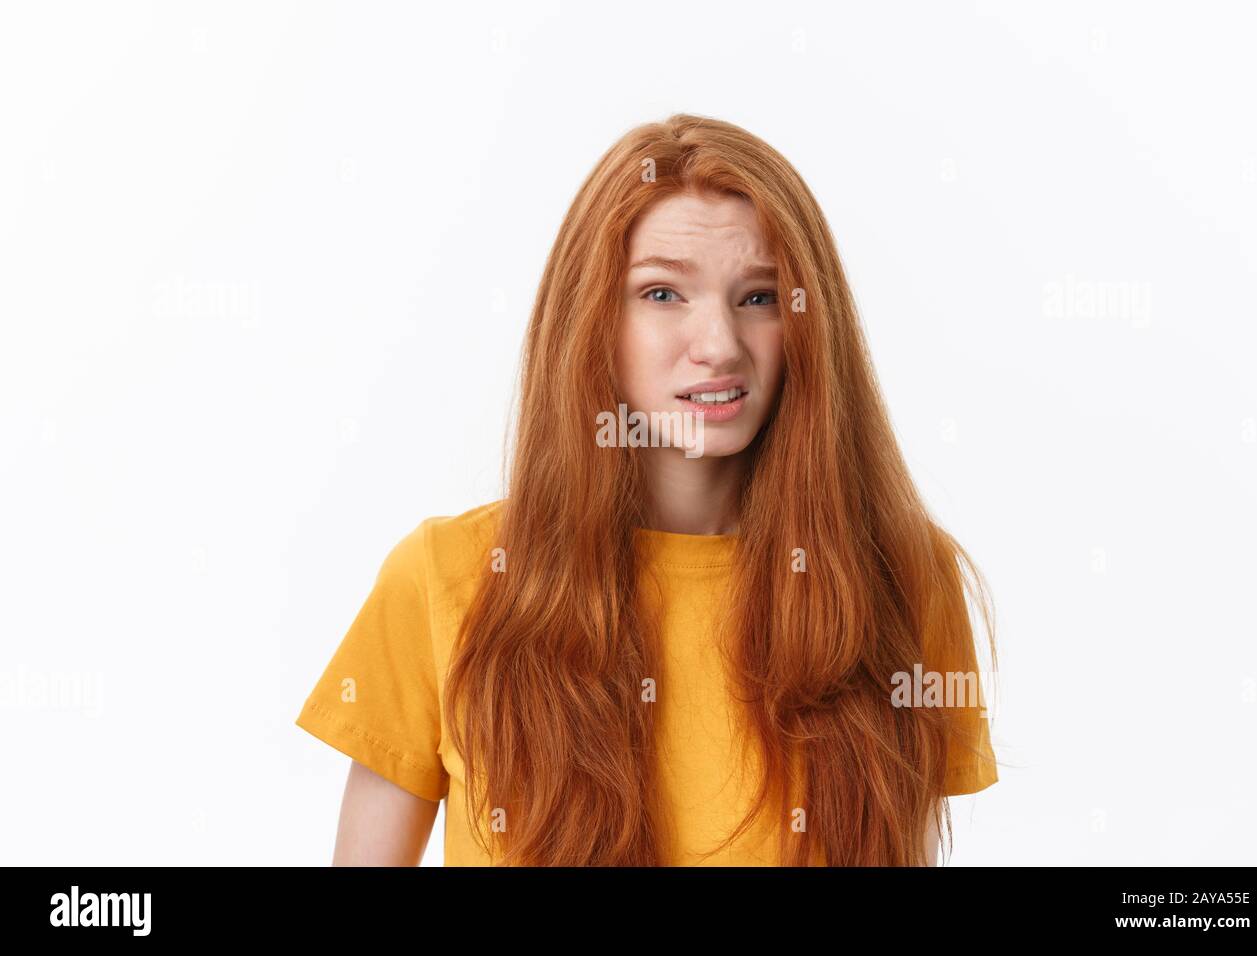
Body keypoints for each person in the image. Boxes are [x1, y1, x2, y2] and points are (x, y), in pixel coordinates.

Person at [296, 113, 999, 866]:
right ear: (593, 317)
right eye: (662, 294)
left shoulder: (902, 578)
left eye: (760, 297)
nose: (719, 346)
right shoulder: (443, 579)